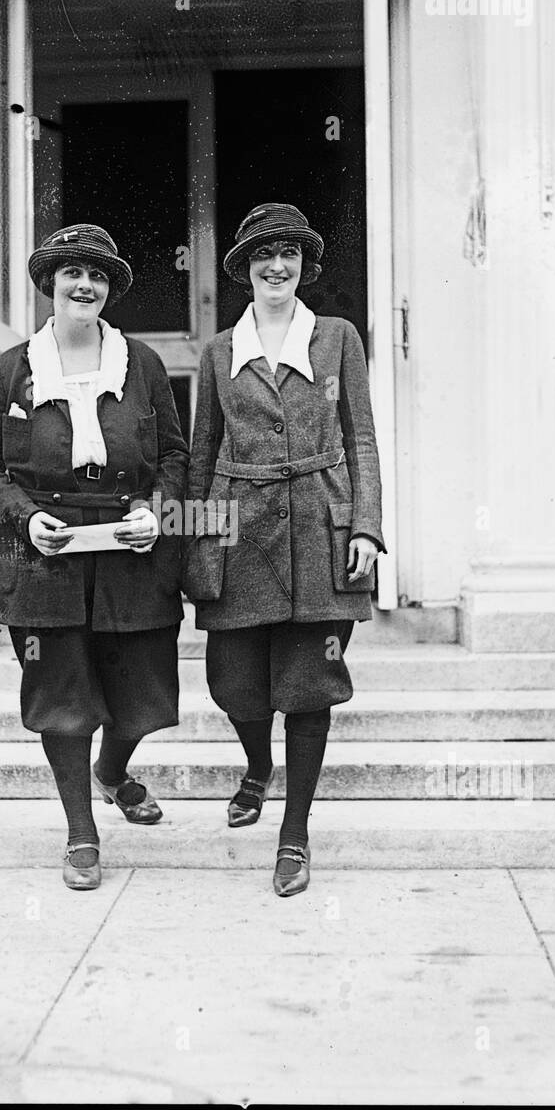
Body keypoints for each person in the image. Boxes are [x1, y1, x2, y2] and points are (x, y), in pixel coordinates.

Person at [0, 224, 188, 891]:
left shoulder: (141, 364)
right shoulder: (13, 369)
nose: (84, 284)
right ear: (50, 287)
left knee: (141, 695)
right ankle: (81, 832)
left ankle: (113, 772)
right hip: (42, 558)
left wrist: (157, 509)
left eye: (97, 275)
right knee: (62, 695)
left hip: (129, 552)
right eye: (72, 274)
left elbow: (173, 456)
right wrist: (27, 519)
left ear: (110, 288)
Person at [184, 203, 385, 897]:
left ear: (304, 264)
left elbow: (360, 436)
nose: (277, 265)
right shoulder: (216, 353)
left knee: (307, 689)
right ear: (244, 268)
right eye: (264, 254)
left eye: (290, 253)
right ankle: (256, 765)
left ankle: (294, 834)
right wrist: (192, 540)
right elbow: (200, 452)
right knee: (234, 684)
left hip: (321, 534)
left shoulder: (337, 338)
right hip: (237, 535)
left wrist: (364, 526)